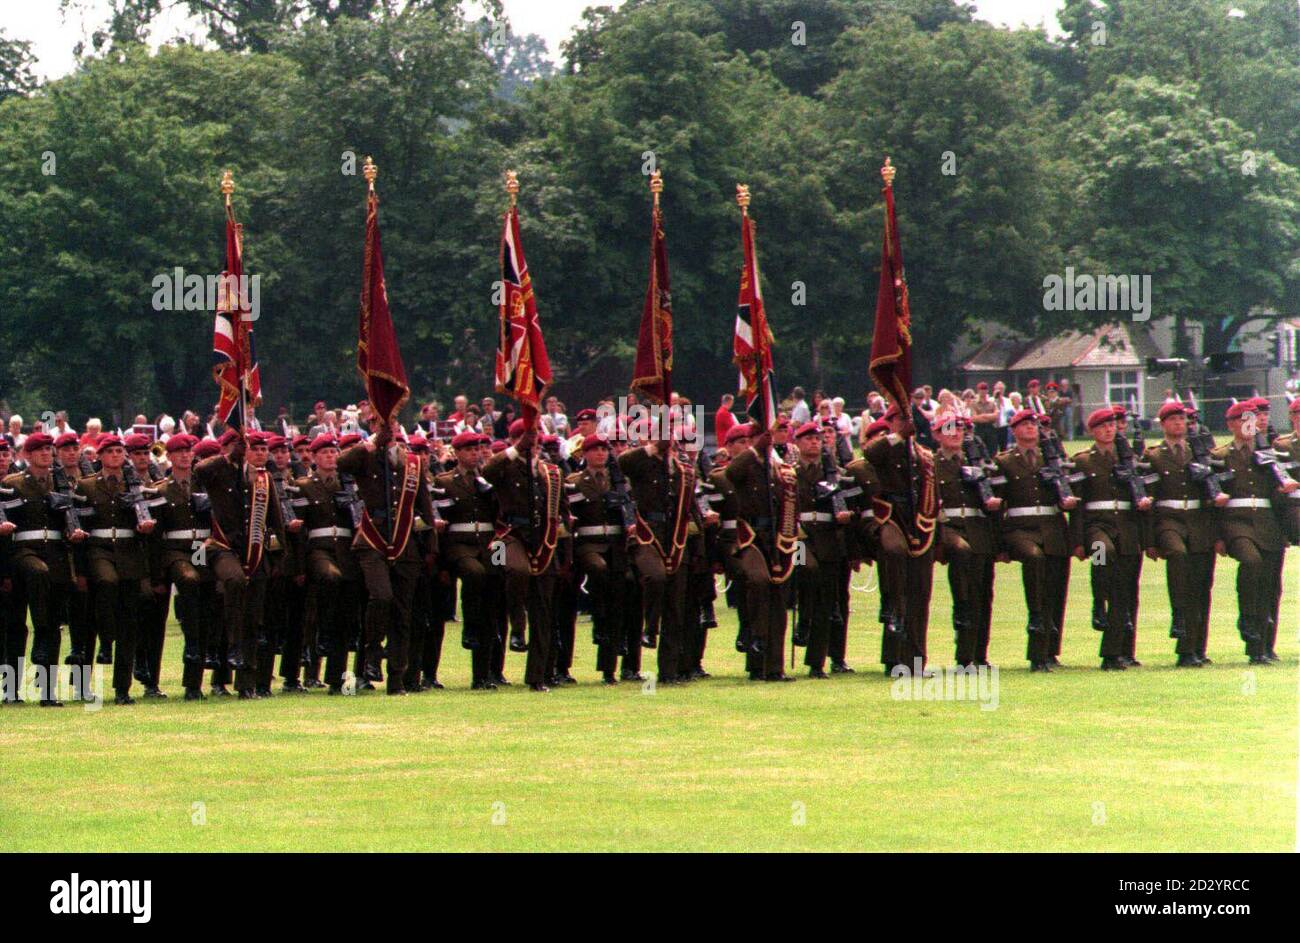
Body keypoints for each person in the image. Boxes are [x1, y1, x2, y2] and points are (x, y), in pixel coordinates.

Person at [336, 420, 437, 695]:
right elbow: (342, 463)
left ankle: (397, 678)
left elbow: (424, 505)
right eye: (383, 426)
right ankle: (372, 652)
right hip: (372, 540)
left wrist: (431, 548)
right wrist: (373, 442)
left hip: (406, 544)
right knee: (381, 597)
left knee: (403, 614)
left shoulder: (412, 464)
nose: (389, 431)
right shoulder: (366, 457)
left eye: (392, 426)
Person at [193, 430, 290, 699]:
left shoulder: (264, 479)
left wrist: (280, 555)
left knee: (253, 618)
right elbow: (198, 470)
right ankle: (231, 647)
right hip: (221, 548)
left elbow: (275, 519)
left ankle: (246, 683)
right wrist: (226, 458)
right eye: (253, 448)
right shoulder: (220, 472)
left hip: (256, 552)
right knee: (234, 580)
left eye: (263, 449)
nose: (260, 453)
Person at [988, 409, 1078, 671]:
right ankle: (1037, 651)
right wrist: (999, 545)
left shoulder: (1051, 458)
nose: (1030, 428)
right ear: (1014, 430)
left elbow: (1066, 491)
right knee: (1035, 567)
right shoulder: (1004, 462)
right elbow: (996, 505)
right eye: (1024, 425)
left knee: (1056, 588)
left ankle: (1051, 650)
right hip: (1020, 529)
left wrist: (1067, 501)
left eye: (1033, 425)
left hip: (1053, 527)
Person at [482, 422, 567, 691]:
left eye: (535, 441)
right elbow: (488, 471)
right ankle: (516, 625)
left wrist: (565, 554)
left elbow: (562, 513)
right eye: (524, 439)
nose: (532, 445)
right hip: (509, 535)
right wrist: (517, 448)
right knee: (518, 571)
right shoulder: (505, 466)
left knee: (543, 610)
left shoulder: (551, 473)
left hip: (543, 540)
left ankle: (537, 676)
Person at [73, 434, 157, 703]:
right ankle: (106, 640)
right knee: (107, 582)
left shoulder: (135, 485)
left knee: (129, 622)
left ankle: (122, 688)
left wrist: (144, 527)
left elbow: (144, 518)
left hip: (129, 551)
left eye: (120, 451)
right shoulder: (86, 485)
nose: (116, 456)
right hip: (98, 547)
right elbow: (80, 524)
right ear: (100, 456)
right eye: (110, 452)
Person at [1213, 400, 1299, 663]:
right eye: (1243, 419)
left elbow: (1278, 490)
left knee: (1269, 584)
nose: (1250, 424)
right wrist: (1216, 535)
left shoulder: (1270, 453)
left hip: (1268, 522)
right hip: (1236, 521)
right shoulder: (1219, 456)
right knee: (1251, 562)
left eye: (1253, 418)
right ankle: (1247, 618)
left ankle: (1259, 647)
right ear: (1231, 424)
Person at [1069, 408, 1152, 670]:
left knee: (1124, 589)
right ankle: (1097, 599)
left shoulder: (1128, 459)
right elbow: (1078, 506)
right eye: (1103, 426)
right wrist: (1078, 541)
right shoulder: (1083, 461)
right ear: (1093, 431)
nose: (1109, 430)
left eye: (1112, 425)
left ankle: (1114, 653)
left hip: (1126, 527)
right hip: (1097, 526)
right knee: (1103, 553)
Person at [1144, 401, 1225, 666]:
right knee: (1178, 558)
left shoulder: (1200, 453)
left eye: (1183, 419)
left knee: (1201, 585)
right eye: (1174, 419)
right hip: (1169, 521)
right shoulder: (1153, 456)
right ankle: (1178, 616)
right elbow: (1147, 499)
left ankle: (1194, 648)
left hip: (1200, 522)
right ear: (1164, 424)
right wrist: (1149, 541)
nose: (1180, 423)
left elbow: (1212, 494)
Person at [860, 404, 938, 674]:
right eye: (900, 420)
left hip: (920, 522)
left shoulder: (925, 456)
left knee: (920, 594)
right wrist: (897, 436)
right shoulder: (886, 446)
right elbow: (868, 453)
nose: (907, 424)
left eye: (910, 420)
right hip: (892, 517)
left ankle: (915, 662)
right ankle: (893, 651)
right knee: (896, 578)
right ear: (890, 422)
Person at [724, 421, 799, 682]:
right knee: (758, 582)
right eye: (754, 437)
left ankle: (773, 667)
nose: (760, 441)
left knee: (779, 600)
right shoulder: (746, 465)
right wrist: (755, 450)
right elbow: (730, 474)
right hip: (750, 537)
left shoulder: (783, 470)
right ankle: (754, 640)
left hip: (777, 538)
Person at [147, 434, 218, 700]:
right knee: (189, 580)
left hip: (202, 549)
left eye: (188, 451)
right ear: (170, 456)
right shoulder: (160, 490)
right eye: (179, 452)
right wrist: (157, 573)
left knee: (205, 607)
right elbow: (156, 537)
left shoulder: (205, 486)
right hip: (174, 552)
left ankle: (193, 684)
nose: (185, 456)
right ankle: (187, 627)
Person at [436, 431, 502, 689]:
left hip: (491, 543)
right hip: (459, 544)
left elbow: (501, 515)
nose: (475, 454)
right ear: (458, 453)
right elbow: (440, 522)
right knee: (475, 574)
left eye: (478, 449)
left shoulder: (490, 480)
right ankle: (469, 625)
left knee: (493, 597)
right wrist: (441, 562)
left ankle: (483, 675)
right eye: (469, 450)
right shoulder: (445, 481)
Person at [932, 414, 999, 667]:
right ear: (937, 435)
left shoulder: (976, 461)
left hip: (979, 529)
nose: (955, 434)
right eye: (948, 430)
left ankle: (979, 655)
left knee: (982, 594)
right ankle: (964, 657)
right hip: (949, 528)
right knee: (965, 594)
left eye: (959, 429)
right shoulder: (932, 464)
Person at [791, 422, 853, 678]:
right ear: (798, 443)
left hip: (828, 540)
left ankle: (817, 662)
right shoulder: (790, 473)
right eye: (807, 439)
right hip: (800, 540)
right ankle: (803, 619)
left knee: (827, 600)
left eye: (817, 438)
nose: (814, 442)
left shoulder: (834, 475)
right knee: (808, 572)